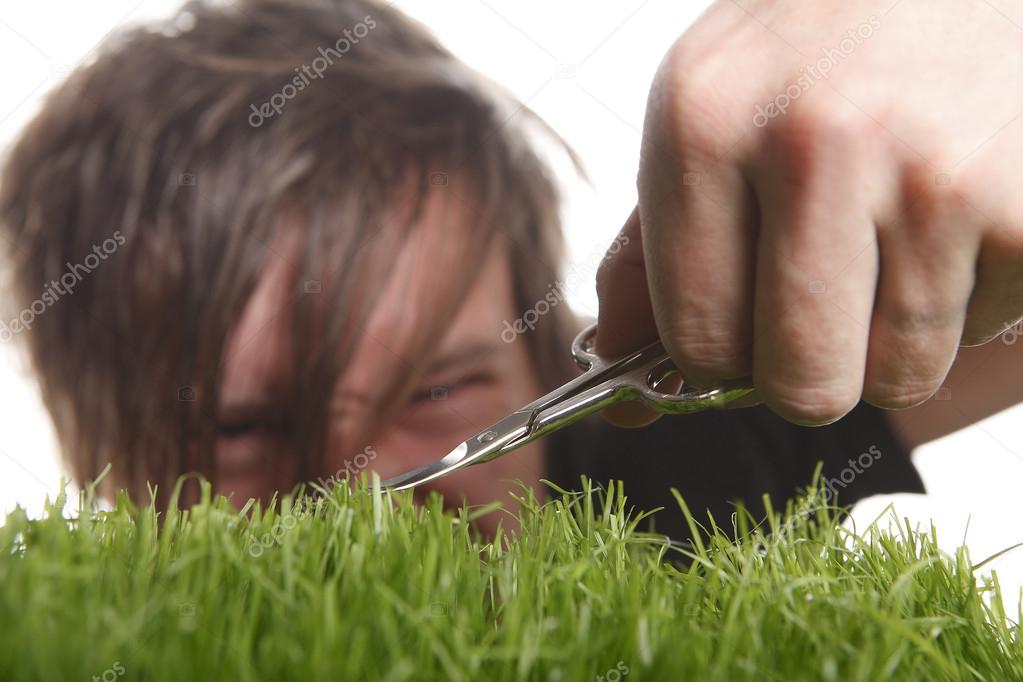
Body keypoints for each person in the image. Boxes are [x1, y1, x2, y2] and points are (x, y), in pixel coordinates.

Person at [0, 0, 1019, 542]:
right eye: (246, 429)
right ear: (99, 444)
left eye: (440, 387)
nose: (362, 496)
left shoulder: (686, 454)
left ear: (540, 358)